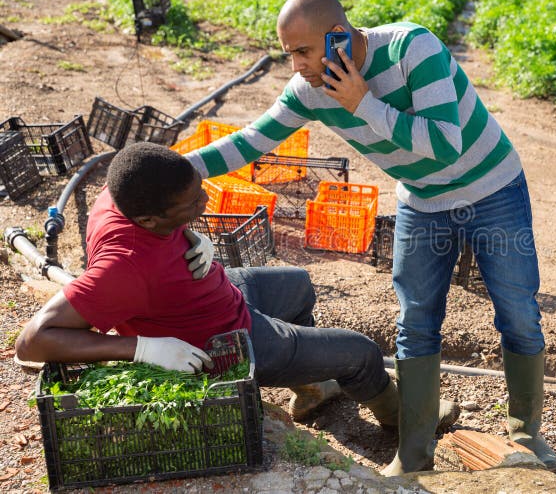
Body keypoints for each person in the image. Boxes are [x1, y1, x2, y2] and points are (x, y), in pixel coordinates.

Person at [182, 0, 556, 475]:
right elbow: (251, 141)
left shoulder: (412, 50)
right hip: (423, 201)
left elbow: (444, 144)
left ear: (338, 36)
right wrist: (171, 170)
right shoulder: (310, 89)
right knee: (416, 321)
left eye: (302, 51)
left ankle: (527, 433)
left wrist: (363, 103)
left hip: (493, 188)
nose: (296, 65)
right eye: (288, 53)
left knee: (518, 313)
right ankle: (415, 451)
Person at [15, 142, 459, 433]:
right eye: (191, 205)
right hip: (225, 336)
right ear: (148, 220)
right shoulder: (125, 267)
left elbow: (142, 182)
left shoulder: (122, 192)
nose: (204, 203)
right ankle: (405, 421)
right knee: (361, 352)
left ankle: (312, 388)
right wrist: (142, 348)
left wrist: (189, 231)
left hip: (219, 291)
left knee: (300, 285)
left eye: (199, 192)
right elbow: (31, 343)